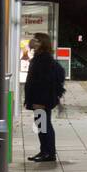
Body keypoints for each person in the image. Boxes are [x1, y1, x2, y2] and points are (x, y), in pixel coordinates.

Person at [23, 32, 65, 162]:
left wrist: (40, 101)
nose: (32, 42)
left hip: (41, 100)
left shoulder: (44, 59)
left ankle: (49, 153)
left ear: (42, 43)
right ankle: (44, 151)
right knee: (42, 125)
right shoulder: (40, 57)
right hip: (39, 99)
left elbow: (44, 82)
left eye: (36, 40)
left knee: (44, 126)